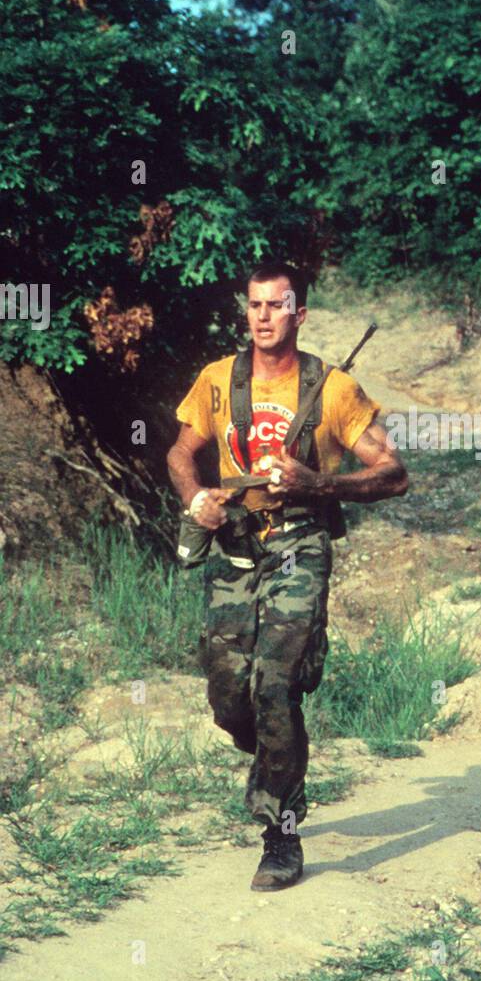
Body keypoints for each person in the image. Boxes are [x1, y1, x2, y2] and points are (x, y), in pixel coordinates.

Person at [167, 260, 408, 890]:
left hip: (301, 545)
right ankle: (280, 746)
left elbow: (393, 474)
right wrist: (197, 497)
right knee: (229, 698)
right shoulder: (219, 381)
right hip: (235, 547)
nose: (264, 316)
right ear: (245, 312)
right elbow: (180, 452)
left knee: (273, 686)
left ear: (299, 315)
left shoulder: (333, 390)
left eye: (277, 305)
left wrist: (319, 482)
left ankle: (281, 830)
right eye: (255, 305)